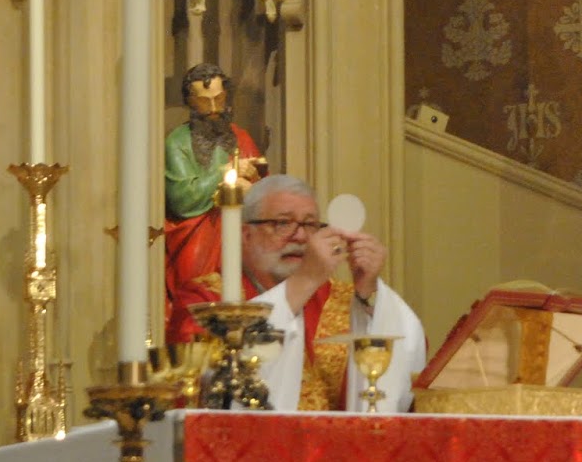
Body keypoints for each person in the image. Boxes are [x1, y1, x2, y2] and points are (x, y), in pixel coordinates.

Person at [169, 173, 426, 413]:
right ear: (245, 234)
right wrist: (306, 279)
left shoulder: (343, 299)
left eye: (310, 224)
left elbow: (404, 363)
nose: (301, 236)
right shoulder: (204, 299)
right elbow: (203, 385)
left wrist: (369, 293)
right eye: (282, 223)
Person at [163, 63, 265, 343]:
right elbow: (183, 198)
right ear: (190, 102)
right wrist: (227, 174)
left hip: (239, 234)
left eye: (219, 100)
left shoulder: (240, 137)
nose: (213, 108)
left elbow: (263, 194)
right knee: (197, 296)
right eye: (204, 101)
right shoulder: (177, 143)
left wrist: (251, 184)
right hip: (198, 232)